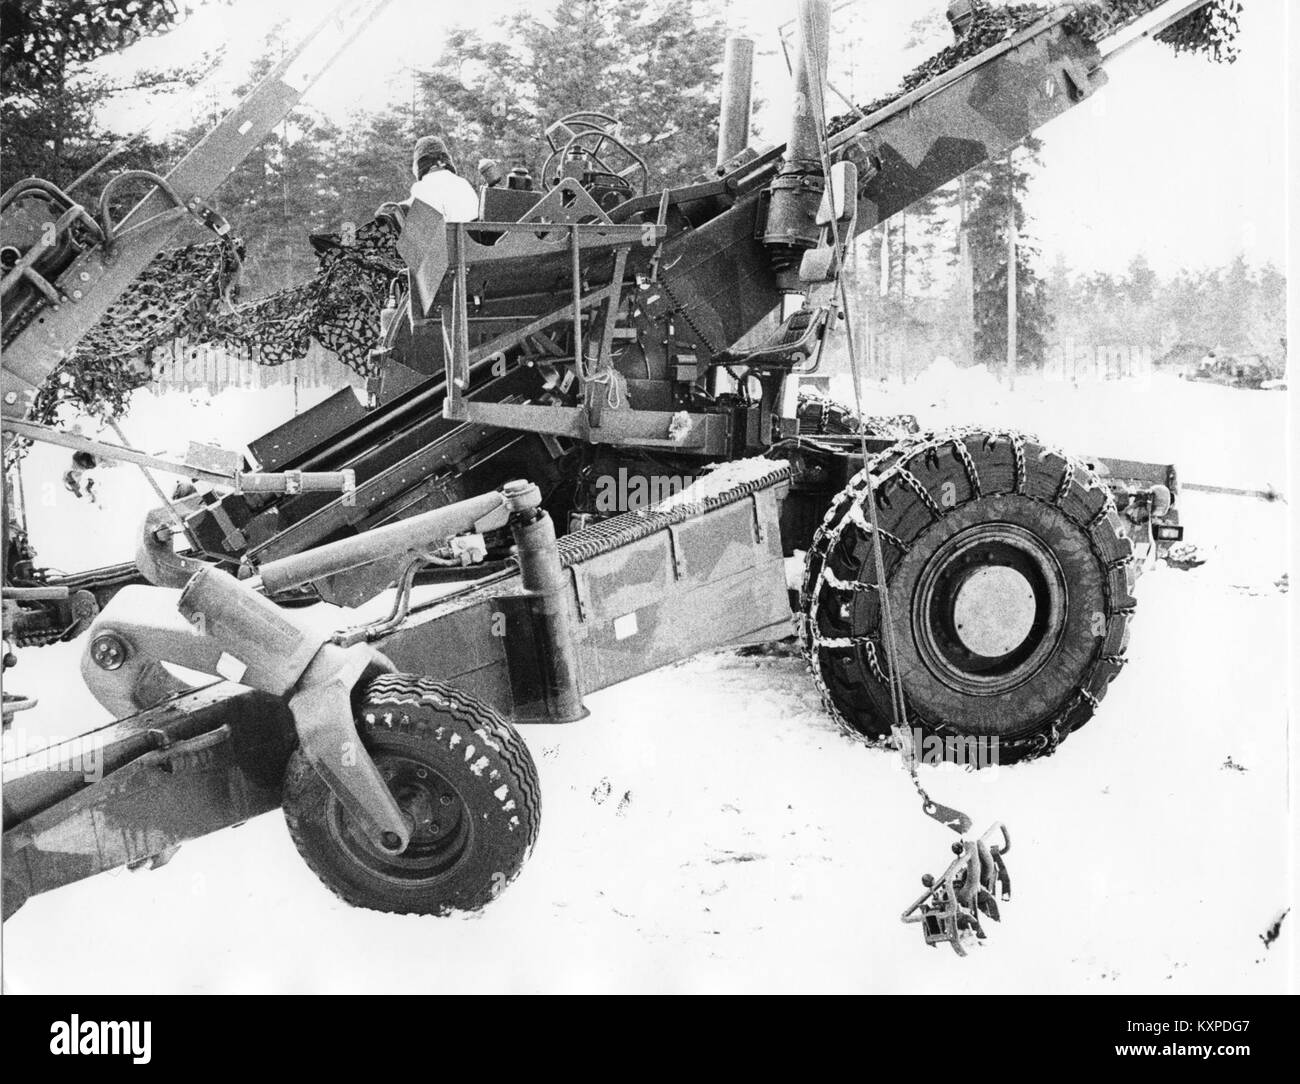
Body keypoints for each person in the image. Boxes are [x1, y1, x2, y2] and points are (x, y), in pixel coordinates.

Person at [404, 136, 480, 222]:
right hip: (470, 234)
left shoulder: (421, 187)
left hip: (445, 234)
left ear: (418, 163)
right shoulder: (464, 183)